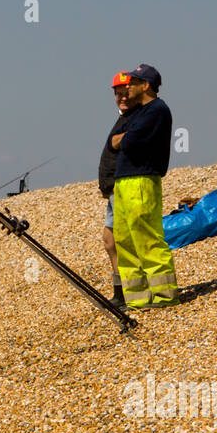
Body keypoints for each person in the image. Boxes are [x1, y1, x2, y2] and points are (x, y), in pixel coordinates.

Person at [109, 64, 179, 308]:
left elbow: (130, 141)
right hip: (124, 180)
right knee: (125, 239)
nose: (127, 87)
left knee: (147, 237)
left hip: (142, 178)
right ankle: (137, 298)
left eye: (133, 82)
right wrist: (122, 139)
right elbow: (113, 141)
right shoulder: (136, 112)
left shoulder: (156, 110)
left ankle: (165, 294)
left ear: (146, 85)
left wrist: (123, 139)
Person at [98, 72, 135, 305]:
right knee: (109, 239)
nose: (122, 97)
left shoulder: (137, 117)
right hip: (113, 189)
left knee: (122, 240)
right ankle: (119, 290)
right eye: (118, 93)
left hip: (124, 186)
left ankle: (128, 292)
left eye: (126, 93)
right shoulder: (122, 117)